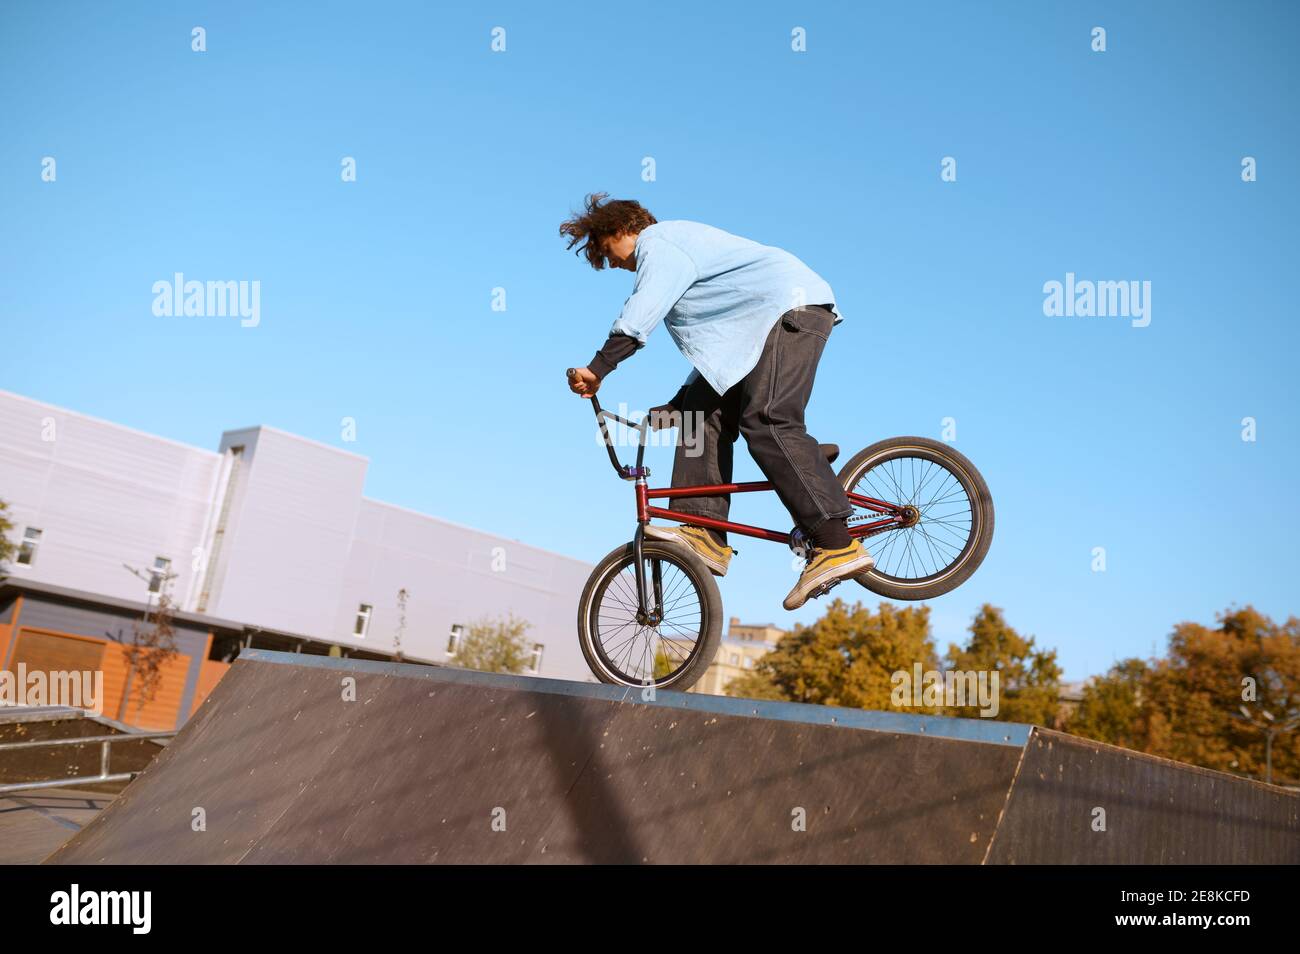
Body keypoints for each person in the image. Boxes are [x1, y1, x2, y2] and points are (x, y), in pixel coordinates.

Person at [561, 193, 873, 610]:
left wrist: (599, 367)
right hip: (764, 325)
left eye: (606, 252)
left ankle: (837, 543)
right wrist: (679, 403)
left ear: (621, 229)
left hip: (791, 310)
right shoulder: (684, 254)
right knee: (697, 417)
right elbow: (723, 356)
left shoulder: (661, 243)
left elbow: (641, 314)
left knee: (768, 420)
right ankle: (701, 528)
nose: (613, 264)